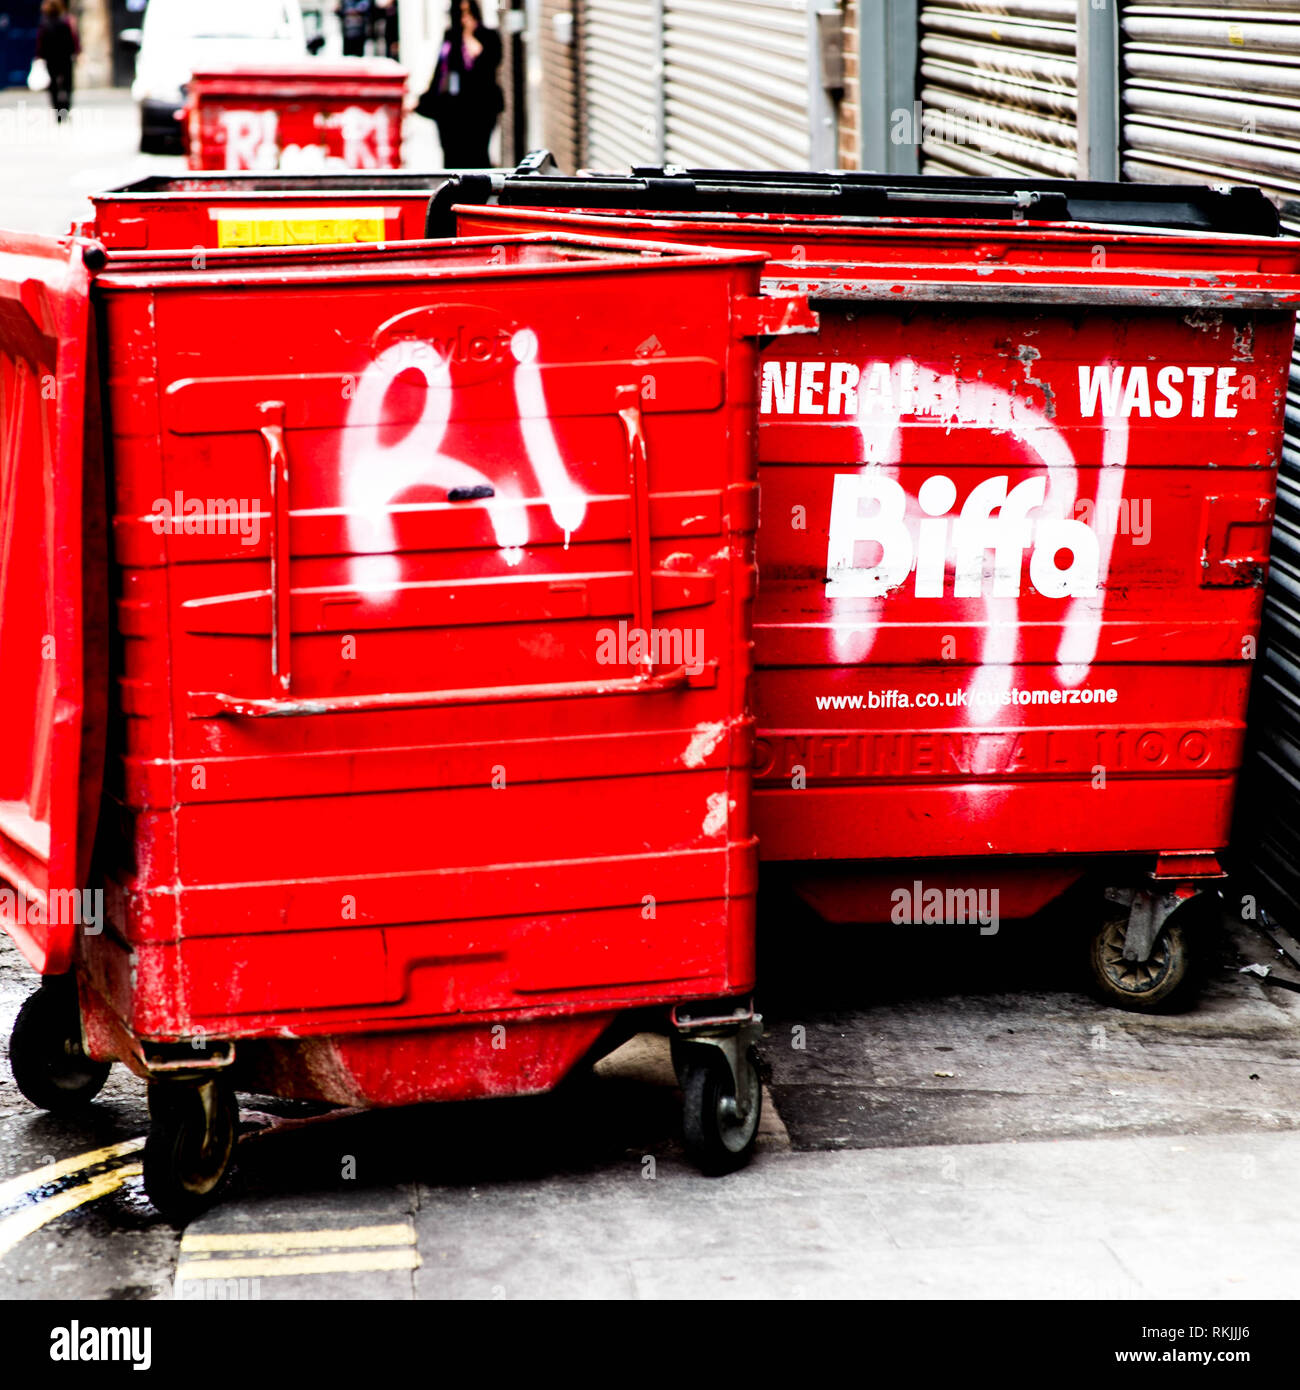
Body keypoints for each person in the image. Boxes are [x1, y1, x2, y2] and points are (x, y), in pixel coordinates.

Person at [417, 0, 502, 169]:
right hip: (451, 110)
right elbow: (441, 71)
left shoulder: (487, 35)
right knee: (452, 157)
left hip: (479, 108)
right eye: (461, 13)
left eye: (468, 13)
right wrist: (424, 98)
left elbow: (488, 64)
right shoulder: (450, 36)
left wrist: (469, 36)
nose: (464, 19)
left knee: (477, 155)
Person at [36, 0, 80, 123]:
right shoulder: (65, 22)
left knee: (54, 87)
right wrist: (76, 53)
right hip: (65, 58)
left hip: (51, 59)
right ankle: (65, 109)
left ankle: (58, 112)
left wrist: (39, 57)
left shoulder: (44, 24)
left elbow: (40, 43)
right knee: (67, 86)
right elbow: (73, 39)